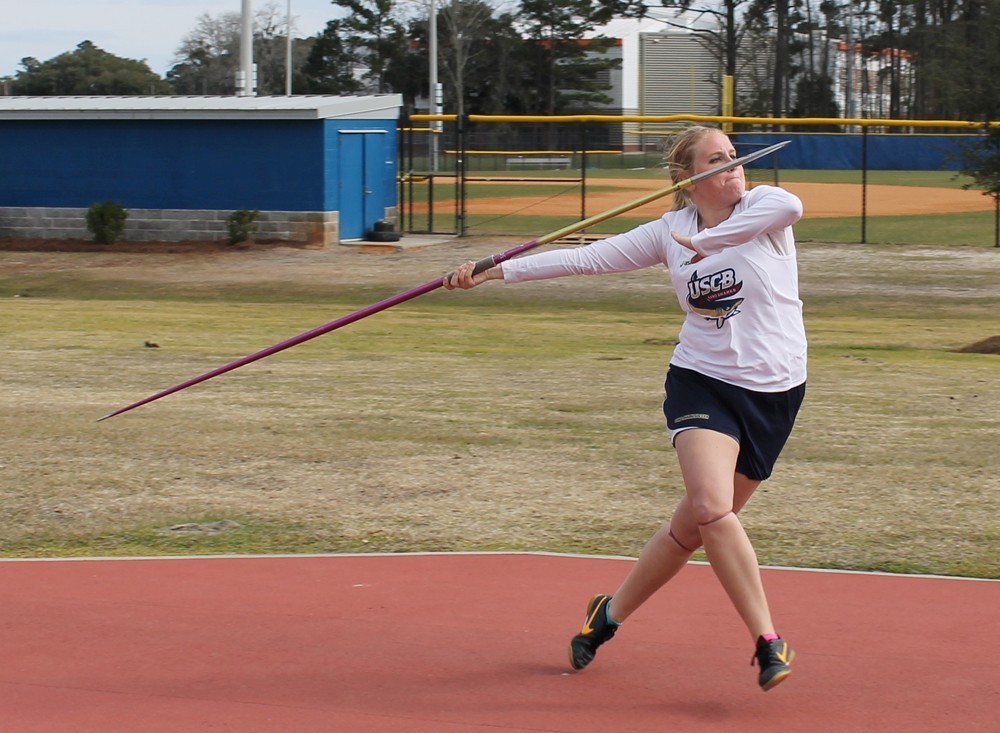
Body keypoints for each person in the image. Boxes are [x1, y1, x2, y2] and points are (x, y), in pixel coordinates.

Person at [443, 125, 806, 692]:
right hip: (702, 382)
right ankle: (768, 641)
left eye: (734, 158)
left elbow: (793, 203)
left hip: (776, 394)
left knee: (691, 530)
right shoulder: (670, 230)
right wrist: (493, 272)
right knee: (712, 509)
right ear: (687, 177)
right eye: (718, 161)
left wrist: (706, 245)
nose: (734, 168)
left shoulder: (766, 208)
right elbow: (586, 260)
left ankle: (605, 616)